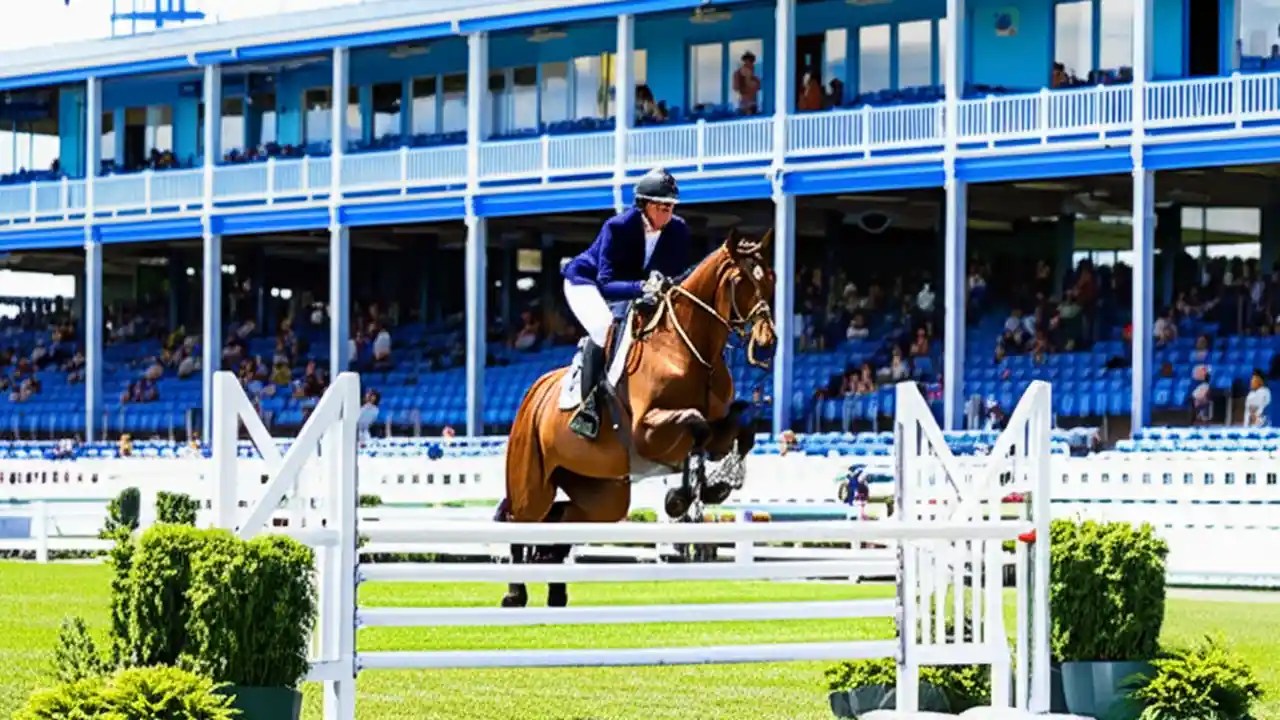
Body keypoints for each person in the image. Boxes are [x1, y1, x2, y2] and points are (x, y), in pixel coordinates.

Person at [560, 167, 691, 439]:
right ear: (644, 205)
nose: (667, 213)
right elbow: (606, 284)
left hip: (636, 289)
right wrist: (642, 287)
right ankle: (589, 408)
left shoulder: (677, 230)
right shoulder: (618, 227)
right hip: (586, 282)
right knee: (604, 328)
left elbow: (675, 273)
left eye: (671, 207)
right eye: (661, 207)